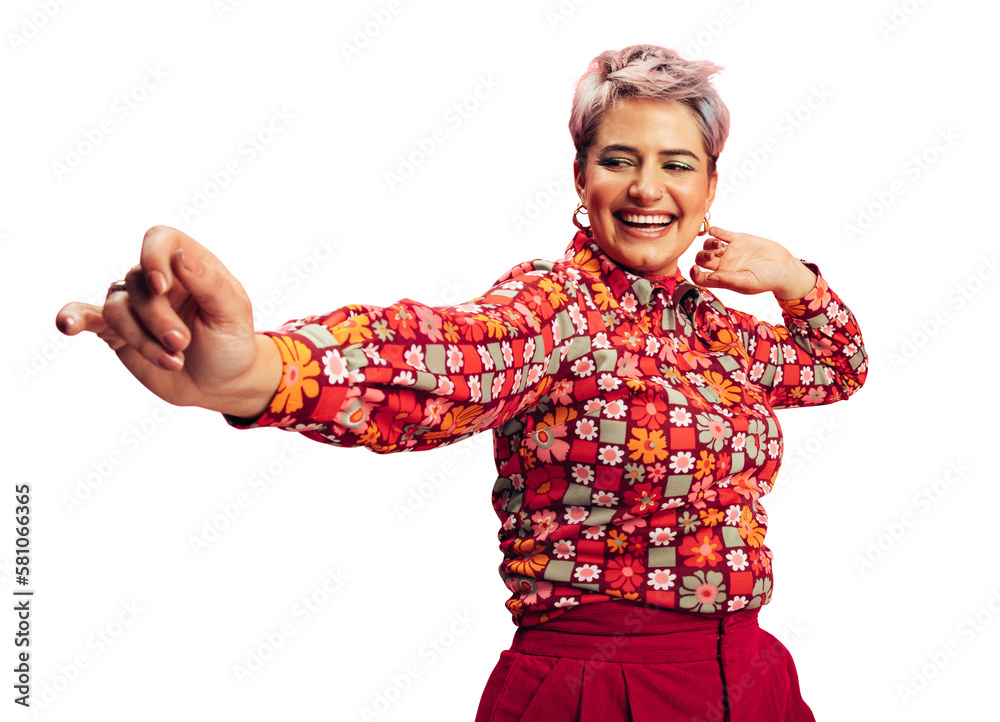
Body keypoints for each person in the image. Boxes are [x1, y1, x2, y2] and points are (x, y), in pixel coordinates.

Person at [57, 45, 867, 721]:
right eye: (619, 159)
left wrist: (795, 280)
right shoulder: (557, 306)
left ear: (709, 189)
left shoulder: (712, 326)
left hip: (756, 679)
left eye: (676, 164)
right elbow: (448, 359)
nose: (648, 189)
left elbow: (837, 370)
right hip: (601, 689)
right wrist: (262, 372)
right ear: (582, 179)